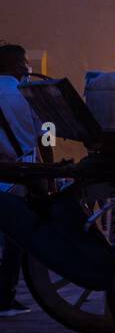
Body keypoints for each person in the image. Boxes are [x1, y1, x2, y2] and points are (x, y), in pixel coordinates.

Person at [0, 44, 46, 317]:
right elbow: (43, 136)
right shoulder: (25, 95)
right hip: (19, 173)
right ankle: (5, 297)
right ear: (18, 65)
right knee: (15, 238)